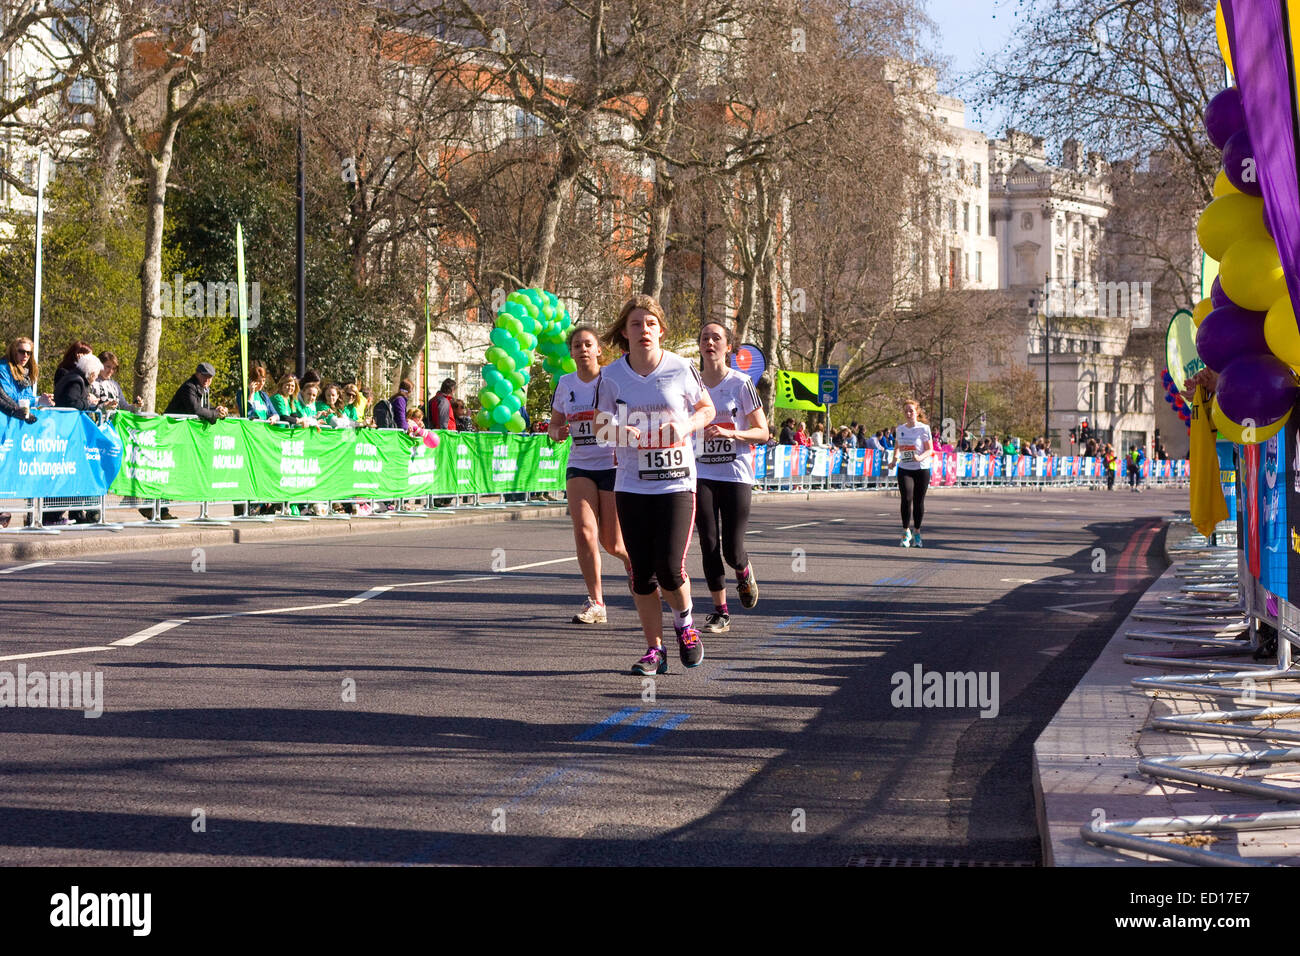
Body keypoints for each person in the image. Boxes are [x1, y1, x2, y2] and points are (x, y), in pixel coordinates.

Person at [594, 293, 713, 675]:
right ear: (624, 333)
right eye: (635, 324)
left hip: (677, 483)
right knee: (641, 574)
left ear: (661, 330)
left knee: (669, 567)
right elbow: (598, 426)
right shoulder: (611, 376)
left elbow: (706, 409)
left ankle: (686, 626)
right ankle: (654, 650)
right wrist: (618, 430)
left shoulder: (681, 368)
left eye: (650, 323)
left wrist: (686, 425)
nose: (643, 330)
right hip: (631, 485)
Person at [549, 324, 632, 624]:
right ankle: (597, 602)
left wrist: (613, 429)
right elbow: (554, 424)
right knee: (584, 533)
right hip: (580, 464)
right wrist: (557, 432)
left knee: (613, 544)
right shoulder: (565, 383)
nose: (582, 349)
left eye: (588, 344)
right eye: (576, 345)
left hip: (611, 464)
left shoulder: (612, 381)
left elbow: (628, 419)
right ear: (570, 353)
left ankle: (634, 566)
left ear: (598, 350)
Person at [694, 321, 768, 633]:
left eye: (716, 338)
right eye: (705, 338)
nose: (710, 342)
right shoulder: (691, 384)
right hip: (700, 472)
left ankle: (743, 570)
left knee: (732, 550)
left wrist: (731, 432)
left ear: (728, 347)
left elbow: (763, 432)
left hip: (736, 473)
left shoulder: (740, 383)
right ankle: (720, 611)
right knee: (708, 543)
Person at [890, 399, 933, 548]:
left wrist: (919, 457)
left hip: (921, 468)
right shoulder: (900, 429)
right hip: (905, 468)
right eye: (906, 411)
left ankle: (917, 532)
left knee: (919, 501)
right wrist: (894, 460)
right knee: (906, 498)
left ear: (917, 412)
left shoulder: (924, 429)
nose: (908, 414)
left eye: (911, 411)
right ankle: (905, 531)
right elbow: (897, 447)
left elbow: (930, 449)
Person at [164, 362, 228, 422]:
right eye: (204, 375)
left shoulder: (203, 388)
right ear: (197, 374)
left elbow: (205, 407)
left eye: (209, 377)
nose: (206, 380)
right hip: (172, 427)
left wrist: (219, 410)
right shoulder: (188, 387)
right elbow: (196, 410)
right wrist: (216, 414)